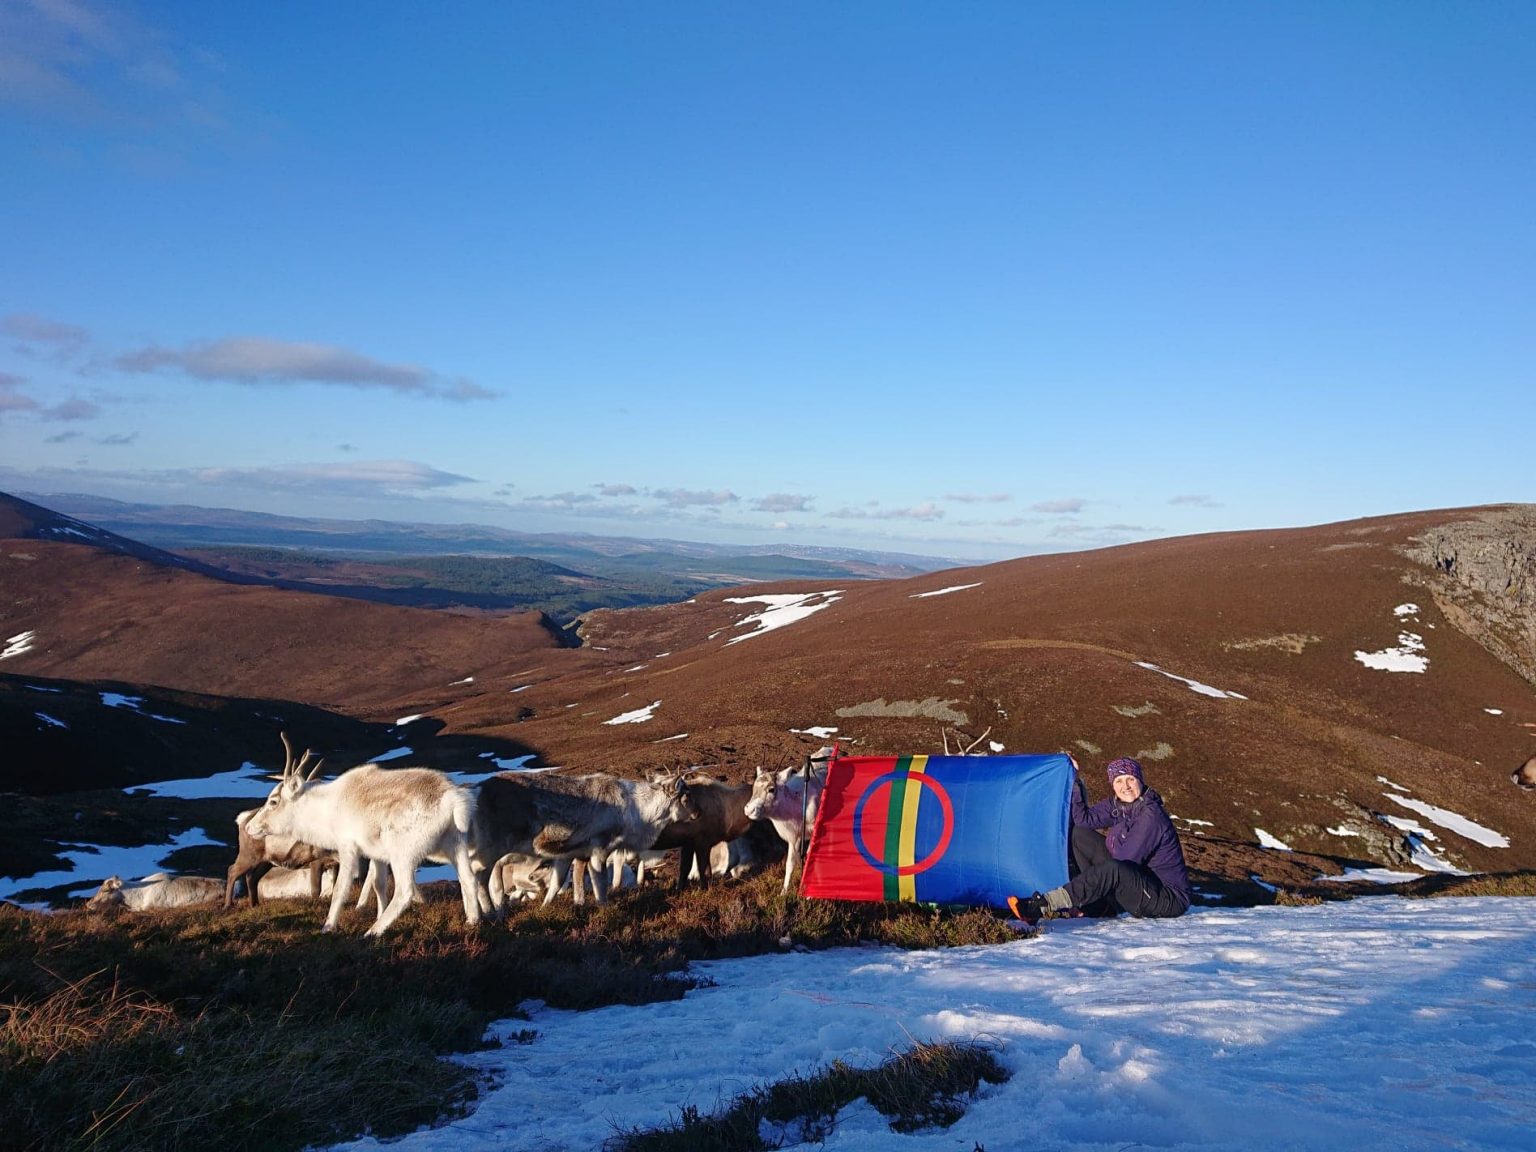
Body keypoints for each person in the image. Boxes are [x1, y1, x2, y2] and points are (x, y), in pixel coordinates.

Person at [1020, 756, 1190, 921]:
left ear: (1140, 780)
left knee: (1114, 868)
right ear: (1113, 785)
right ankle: (1097, 905)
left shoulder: (1151, 816)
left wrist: (1090, 885)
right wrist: (1074, 780)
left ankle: (1045, 904)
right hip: (1136, 881)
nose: (1126, 786)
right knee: (1079, 835)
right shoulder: (1120, 805)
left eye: (1130, 779)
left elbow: (1125, 861)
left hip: (1166, 898)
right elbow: (1084, 819)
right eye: (1119, 781)